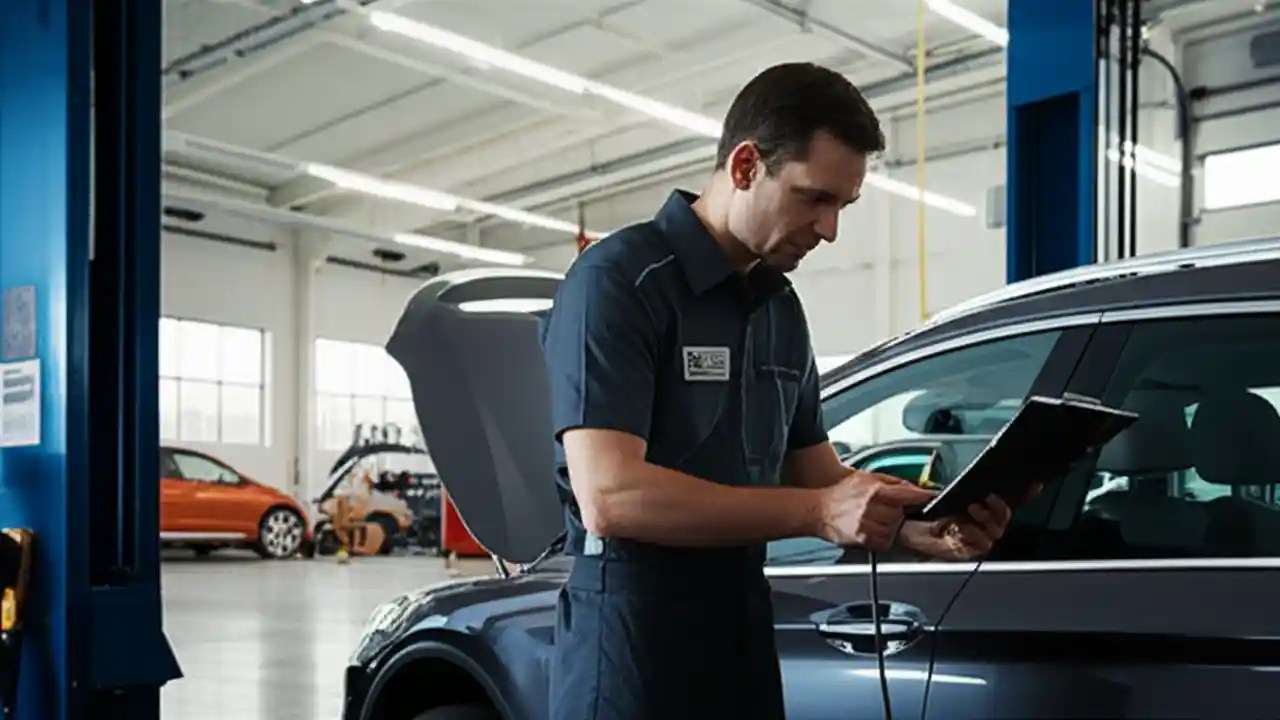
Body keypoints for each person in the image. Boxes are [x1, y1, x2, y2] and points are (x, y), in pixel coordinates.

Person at [538, 62, 1018, 720]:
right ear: (744, 166)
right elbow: (611, 496)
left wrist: (917, 524)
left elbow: (816, 474)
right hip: (629, 631)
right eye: (813, 198)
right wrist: (817, 513)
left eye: (842, 206)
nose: (829, 230)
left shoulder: (778, 309)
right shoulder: (621, 282)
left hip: (739, 620)